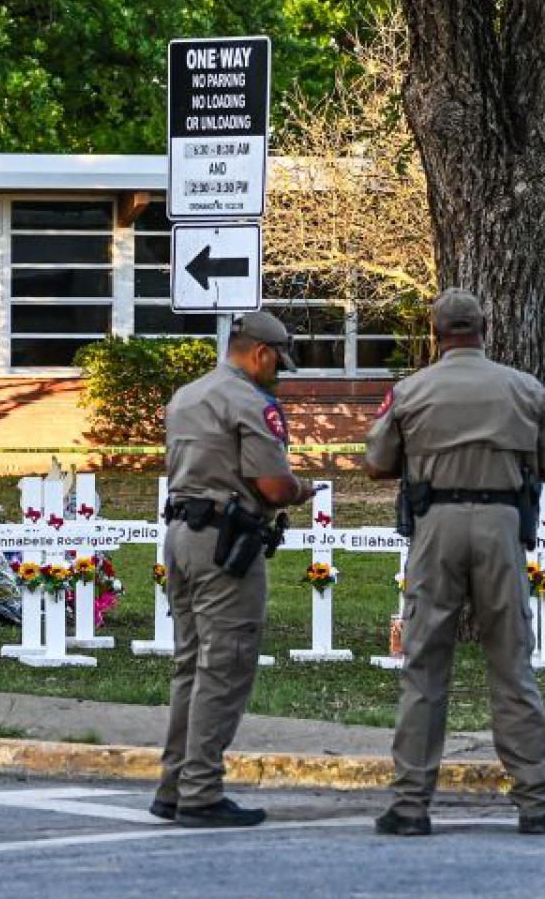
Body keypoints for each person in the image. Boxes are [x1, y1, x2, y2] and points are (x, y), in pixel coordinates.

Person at [364, 288, 545, 837]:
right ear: (486, 328)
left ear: (435, 333)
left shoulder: (410, 390)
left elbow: (377, 464)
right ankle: (535, 800)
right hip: (502, 524)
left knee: (424, 663)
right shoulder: (524, 388)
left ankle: (411, 803)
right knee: (512, 663)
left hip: (436, 525)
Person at [155, 311, 313, 828]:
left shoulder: (188, 395)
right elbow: (270, 485)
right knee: (225, 666)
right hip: (225, 543)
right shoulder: (251, 402)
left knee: (190, 665)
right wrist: (300, 489)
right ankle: (201, 791)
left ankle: (174, 785)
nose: (280, 373)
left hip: (180, 537)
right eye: (279, 362)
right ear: (261, 353)